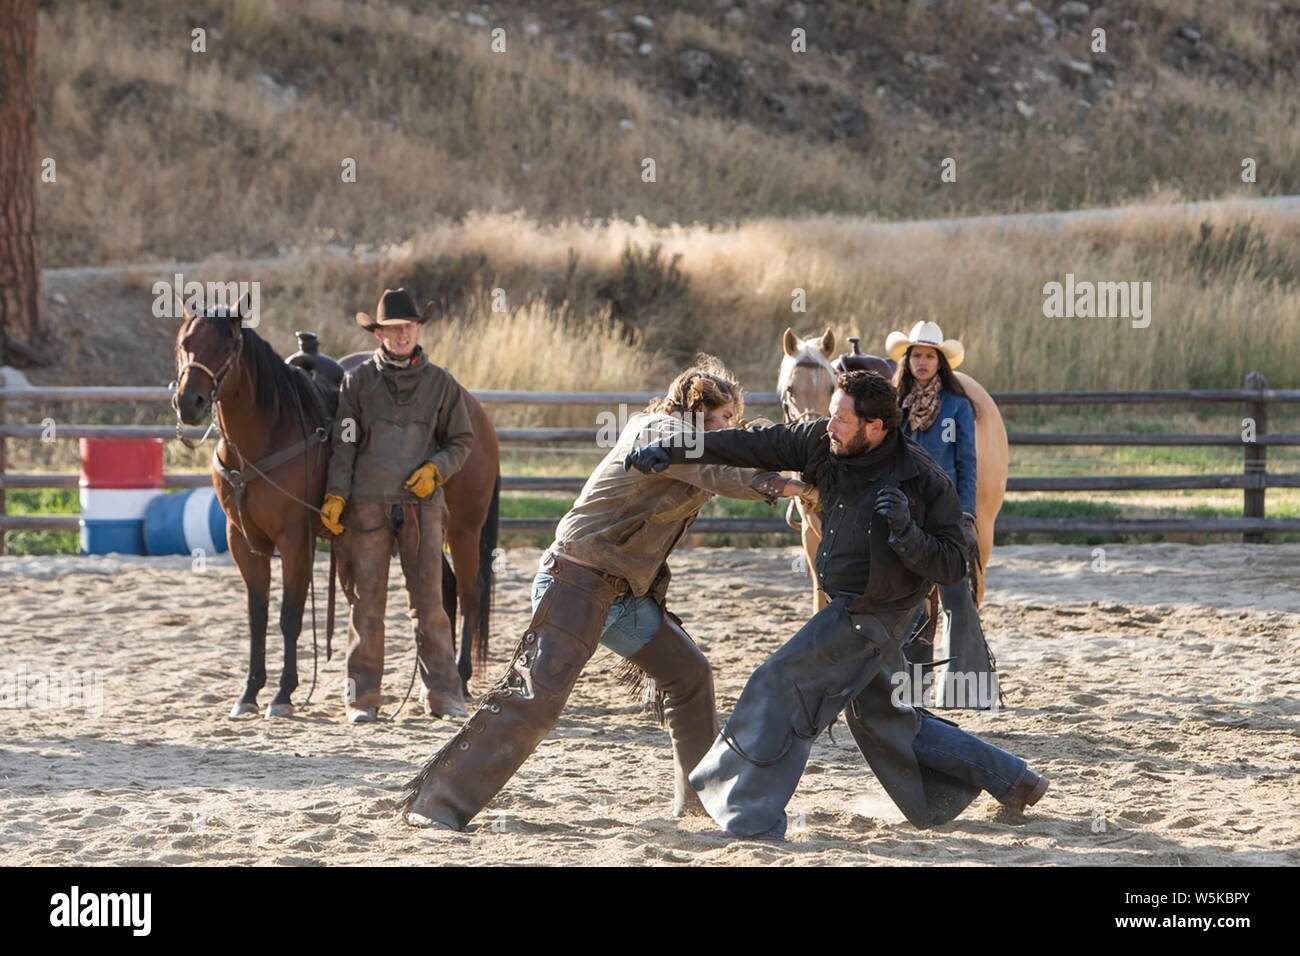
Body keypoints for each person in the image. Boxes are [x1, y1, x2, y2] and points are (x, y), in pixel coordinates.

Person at [624, 370, 1047, 839]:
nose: (830, 426)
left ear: (876, 427)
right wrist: (678, 450)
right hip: (848, 604)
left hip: (876, 613)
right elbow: (752, 445)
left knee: (779, 683)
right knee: (885, 718)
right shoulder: (819, 441)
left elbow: (951, 566)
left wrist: (907, 534)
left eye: (842, 420)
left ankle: (750, 818)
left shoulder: (922, 479)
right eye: (831, 416)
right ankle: (1013, 779)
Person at [399, 355, 808, 830]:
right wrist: (780, 483)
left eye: (733, 420)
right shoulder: (657, 433)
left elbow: (728, 459)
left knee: (690, 676)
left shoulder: (699, 446)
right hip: (576, 581)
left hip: (624, 596)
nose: (728, 429)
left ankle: (699, 803)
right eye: (720, 419)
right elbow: (718, 470)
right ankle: (435, 805)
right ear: (693, 410)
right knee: (534, 701)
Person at [321, 288, 475, 724]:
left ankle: (445, 695)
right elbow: (344, 442)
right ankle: (362, 698)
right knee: (365, 605)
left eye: (408, 326)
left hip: (422, 508)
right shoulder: (357, 383)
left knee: (429, 605)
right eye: (393, 329)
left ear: (419, 329)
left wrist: (437, 469)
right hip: (366, 507)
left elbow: (462, 441)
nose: (402, 334)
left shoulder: (441, 384)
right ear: (380, 333)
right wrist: (336, 495)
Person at [887, 320, 999, 709]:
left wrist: (966, 514)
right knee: (910, 599)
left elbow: (967, 462)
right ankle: (909, 687)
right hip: (905, 513)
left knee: (955, 596)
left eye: (929, 356)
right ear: (908, 359)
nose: (921, 362)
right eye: (915, 355)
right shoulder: (893, 406)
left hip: (946, 511)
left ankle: (965, 687)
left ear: (939, 362)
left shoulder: (956, 406)